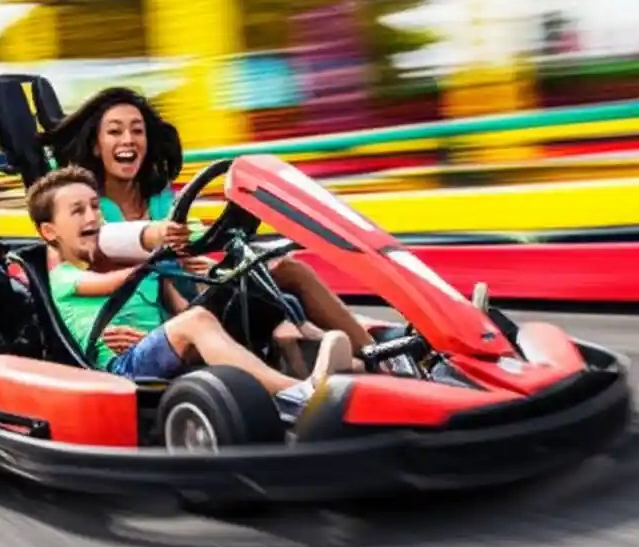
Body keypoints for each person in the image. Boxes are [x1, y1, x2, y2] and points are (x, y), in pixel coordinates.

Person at [41, 86, 379, 374]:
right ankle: (311, 364)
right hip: (169, 322)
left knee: (288, 269)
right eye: (115, 131)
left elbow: (191, 242)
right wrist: (160, 241)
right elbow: (99, 262)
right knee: (261, 306)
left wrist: (200, 255)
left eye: (137, 130)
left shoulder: (160, 195)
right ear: (97, 145)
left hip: (200, 294)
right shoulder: (89, 212)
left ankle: (379, 358)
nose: (128, 140)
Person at [27, 166, 354, 419]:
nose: (92, 216)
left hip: (160, 346)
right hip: (122, 368)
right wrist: (160, 256)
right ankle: (296, 395)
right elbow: (115, 284)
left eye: (95, 207)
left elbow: (184, 310)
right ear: (49, 231)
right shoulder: (64, 277)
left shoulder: (126, 261)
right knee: (198, 320)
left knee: (269, 279)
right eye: (77, 211)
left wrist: (204, 273)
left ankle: (373, 363)